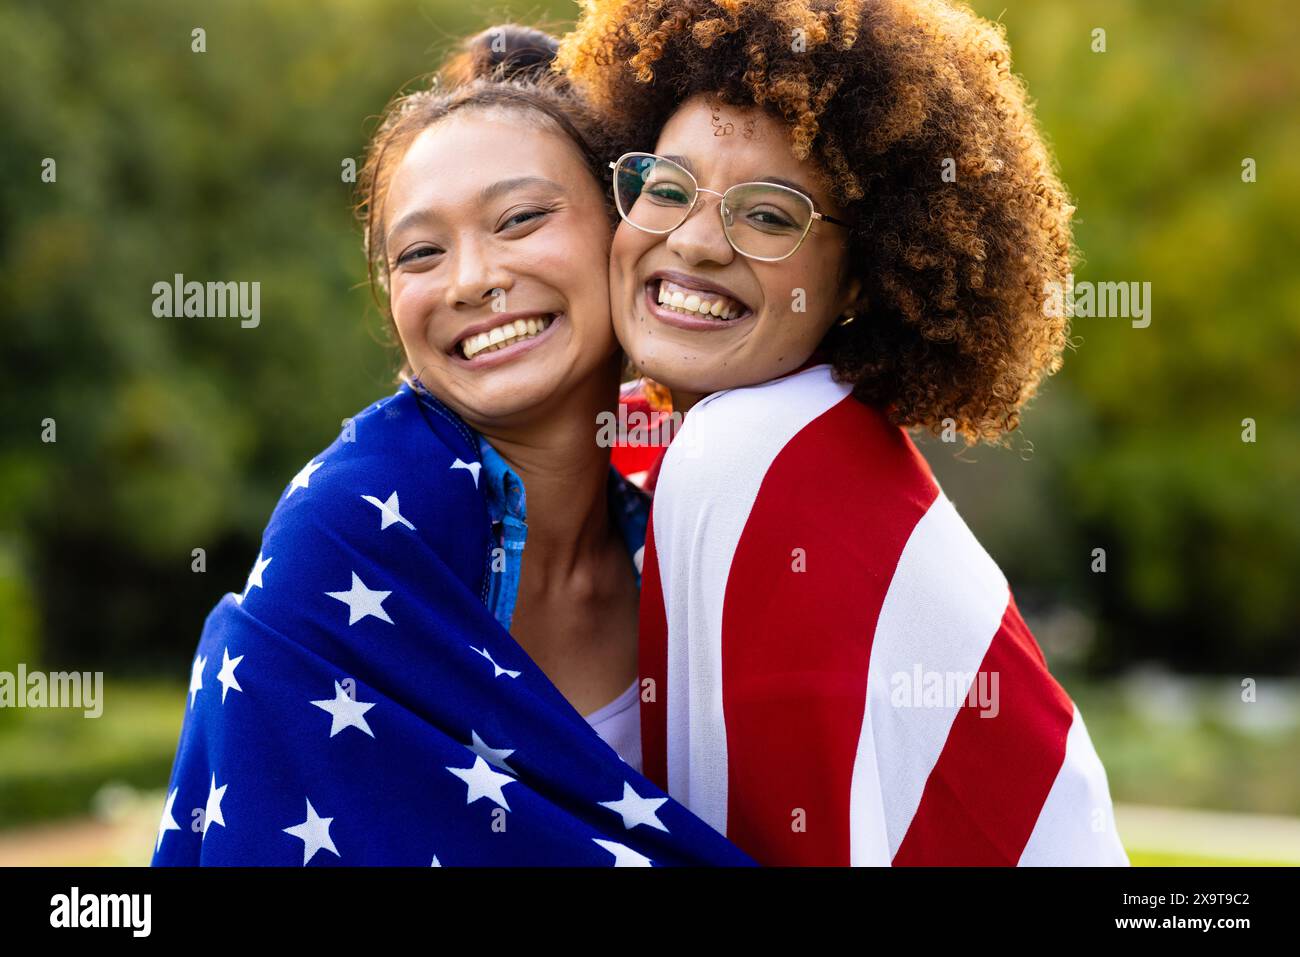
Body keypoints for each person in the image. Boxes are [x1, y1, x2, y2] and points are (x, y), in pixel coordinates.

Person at [151, 25, 754, 866]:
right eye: (421, 253)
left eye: (519, 218)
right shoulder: (344, 531)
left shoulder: (683, 518)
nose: (471, 279)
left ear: (625, 231)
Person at [558, 0, 1130, 865]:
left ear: (862, 277)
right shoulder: (783, 438)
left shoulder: (747, 454)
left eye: (770, 214)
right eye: (666, 188)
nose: (698, 241)